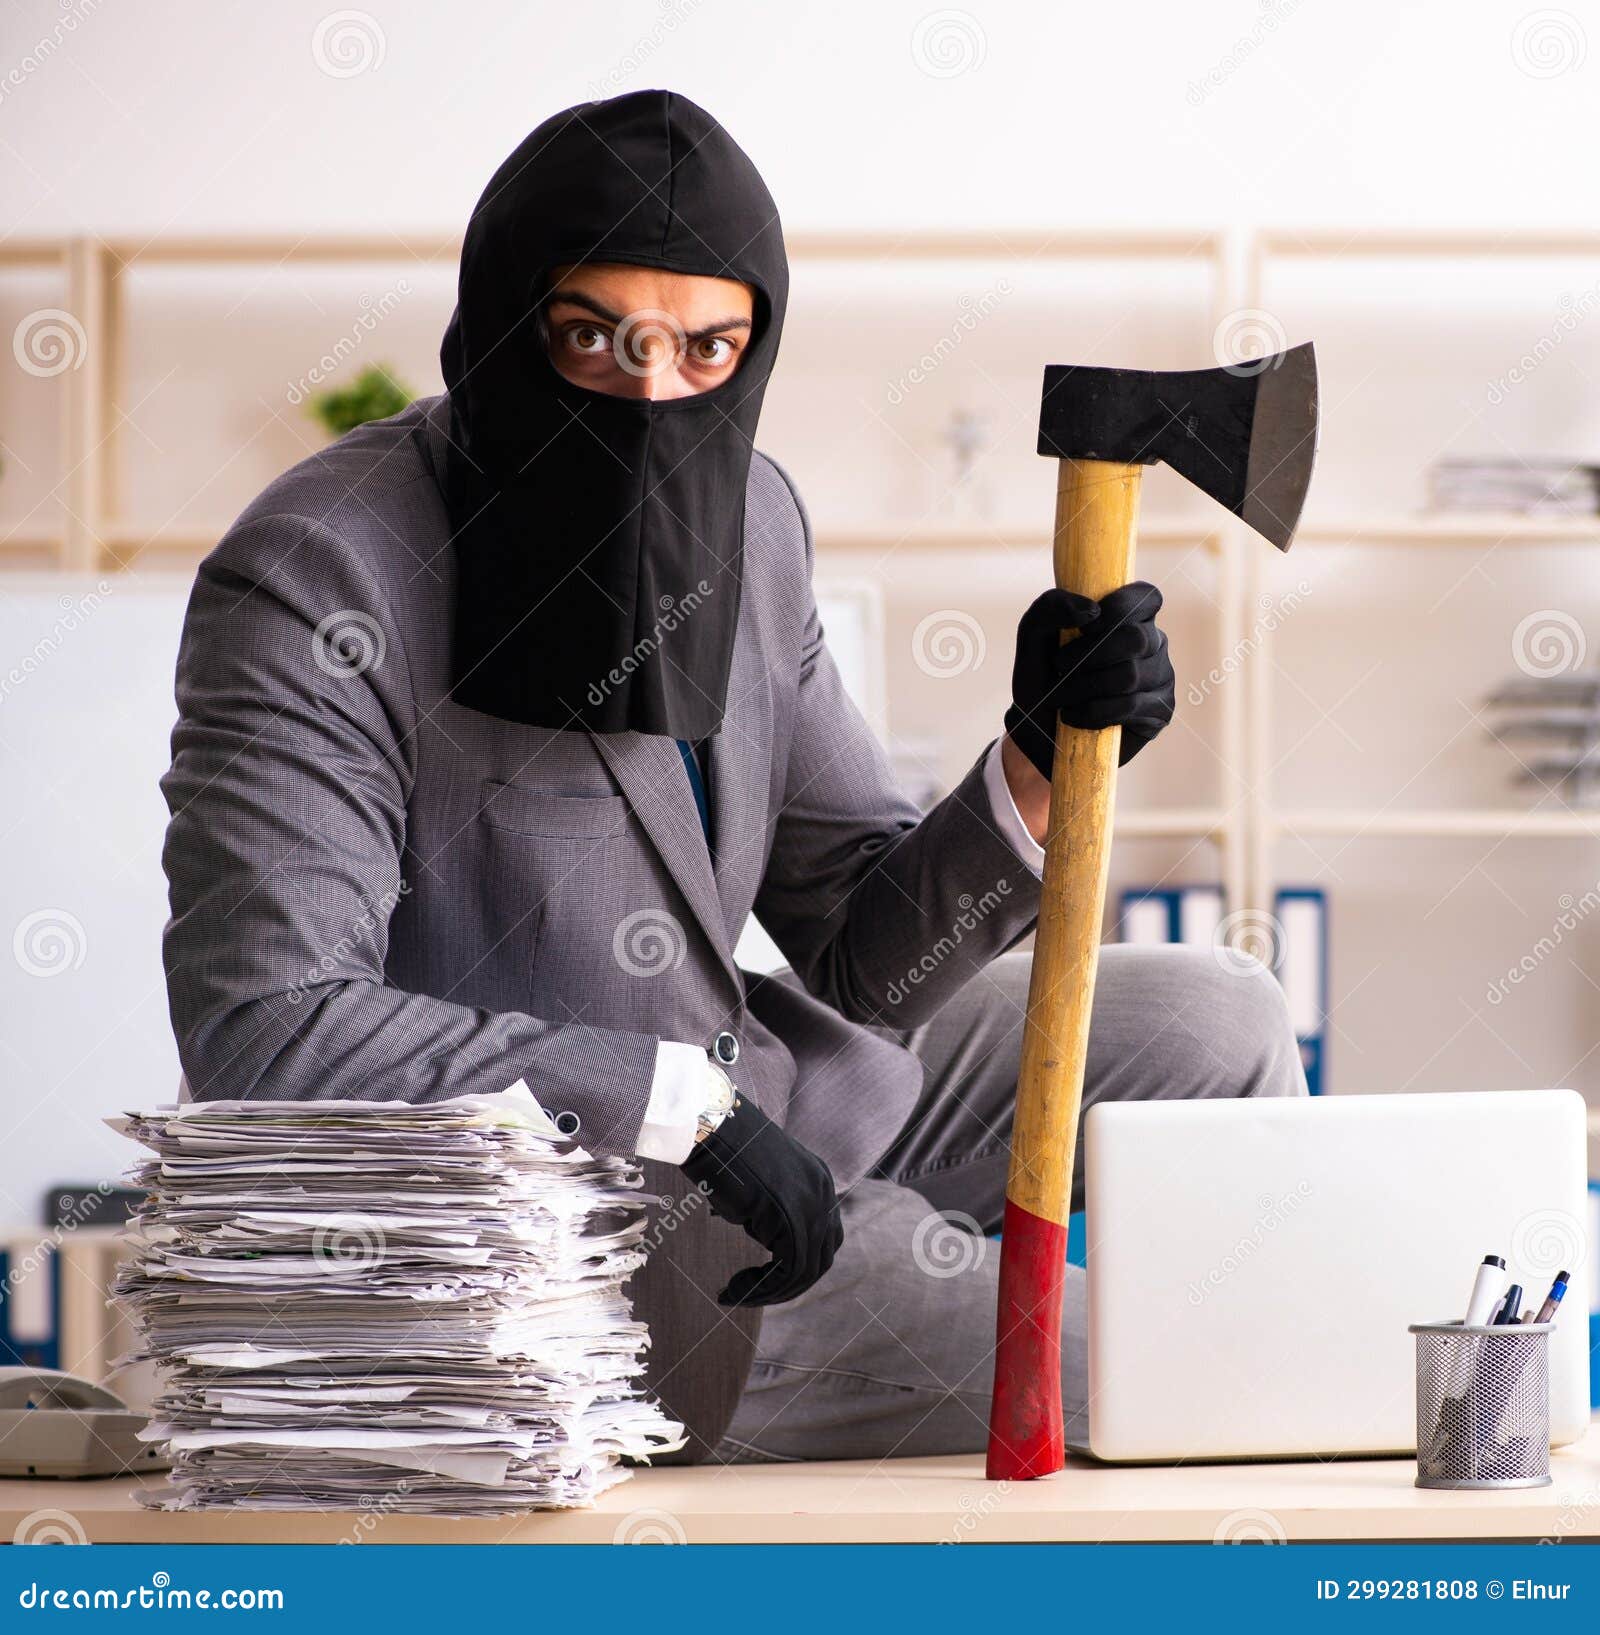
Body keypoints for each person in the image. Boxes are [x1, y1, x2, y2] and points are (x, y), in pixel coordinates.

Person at [159, 89, 1306, 1466]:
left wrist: (1044, 752)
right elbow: (268, 1032)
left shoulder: (750, 517)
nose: (658, 395)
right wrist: (675, 1102)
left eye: (709, 348)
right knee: (1146, 1352)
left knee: (1220, 1011)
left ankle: (1256, 1404)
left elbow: (864, 959)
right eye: (596, 339)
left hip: (761, 1091)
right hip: (548, 1239)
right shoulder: (316, 575)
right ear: (503, 319)